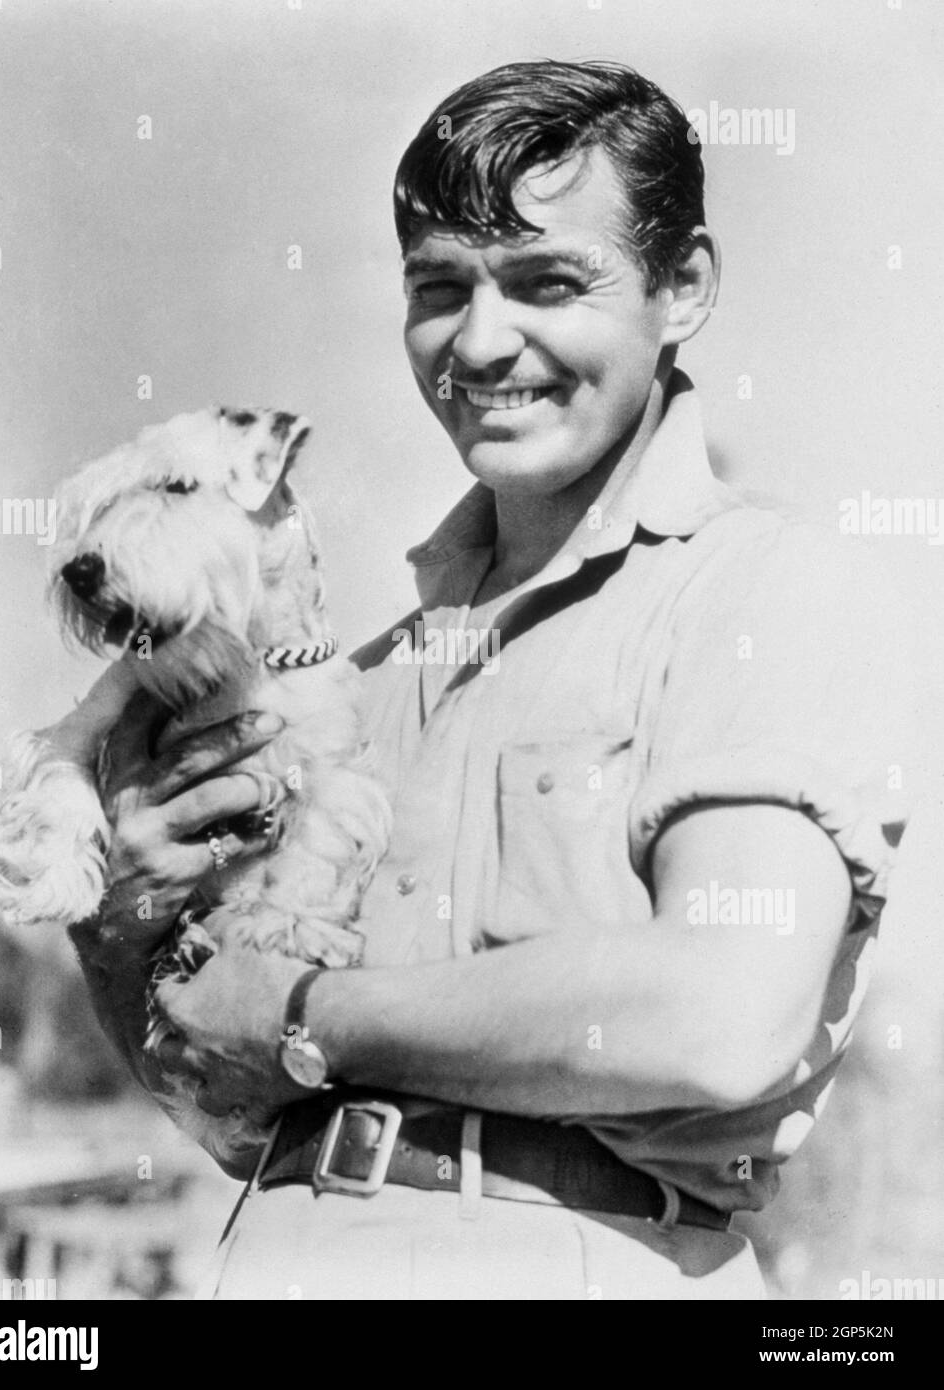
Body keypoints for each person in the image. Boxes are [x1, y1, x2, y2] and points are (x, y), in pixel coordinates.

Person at [69, 60, 913, 1300]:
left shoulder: (767, 594)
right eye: (438, 286)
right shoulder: (347, 686)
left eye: (546, 282)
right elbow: (223, 1093)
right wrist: (121, 923)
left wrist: (307, 1009)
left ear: (683, 287)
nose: (478, 340)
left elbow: (722, 1017)